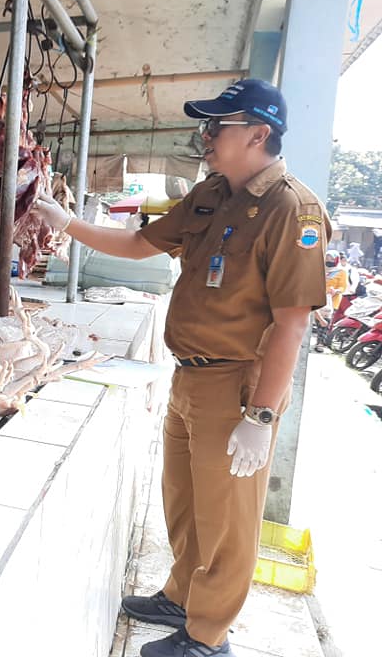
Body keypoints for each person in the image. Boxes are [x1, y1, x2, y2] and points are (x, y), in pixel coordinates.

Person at [33, 79, 328, 657]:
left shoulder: (292, 208)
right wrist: (64, 221)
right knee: (185, 503)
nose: (208, 135)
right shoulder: (211, 193)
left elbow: (292, 324)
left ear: (259, 133)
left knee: (227, 521)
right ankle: (180, 594)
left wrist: (262, 415)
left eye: (221, 125)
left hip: (236, 385)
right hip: (188, 376)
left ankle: (207, 635)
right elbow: (141, 244)